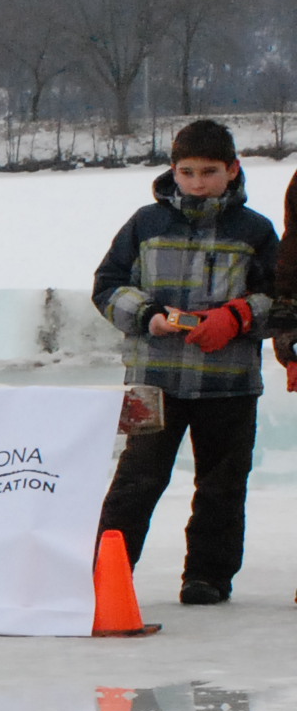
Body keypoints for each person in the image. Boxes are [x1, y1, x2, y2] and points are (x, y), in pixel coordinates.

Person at [91, 119, 284, 606]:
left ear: (233, 170)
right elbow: (108, 286)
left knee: (222, 486)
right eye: (188, 171)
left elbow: (281, 299)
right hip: (154, 381)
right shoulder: (145, 224)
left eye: (210, 171)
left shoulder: (255, 231)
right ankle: (105, 570)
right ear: (173, 172)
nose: (198, 182)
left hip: (230, 383)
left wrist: (239, 318)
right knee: (137, 480)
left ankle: (208, 577)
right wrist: (148, 315)